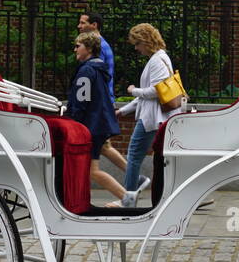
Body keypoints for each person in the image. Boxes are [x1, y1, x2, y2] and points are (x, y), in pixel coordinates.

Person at [117, 24, 177, 208]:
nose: (136, 48)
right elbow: (151, 94)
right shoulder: (159, 58)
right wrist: (123, 110)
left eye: (137, 43)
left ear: (145, 41)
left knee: (134, 155)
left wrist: (134, 90)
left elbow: (155, 92)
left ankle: (128, 199)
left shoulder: (158, 60)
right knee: (152, 156)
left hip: (151, 117)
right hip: (152, 115)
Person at [67, 31, 127, 207]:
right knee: (88, 169)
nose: (75, 49)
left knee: (92, 171)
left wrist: (73, 122)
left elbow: (81, 100)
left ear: (89, 48)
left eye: (78, 46)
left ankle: (127, 198)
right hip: (99, 124)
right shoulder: (99, 68)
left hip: (91, 126)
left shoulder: (86, 70)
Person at [78, 12, 129, 177]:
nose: (79, 26)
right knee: (104, 147)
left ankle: (135, 178)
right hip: (104, 102)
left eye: (82, 23)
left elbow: (96, 78)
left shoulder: (96, 47)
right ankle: (135, 177)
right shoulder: (103, 44)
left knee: (103, 148)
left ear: (94, 25)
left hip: (100, 105)